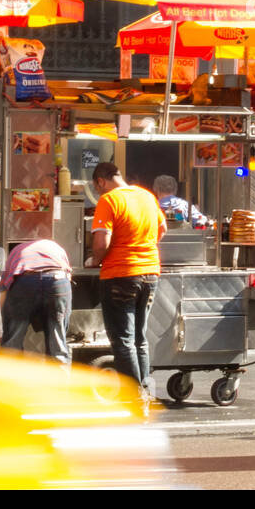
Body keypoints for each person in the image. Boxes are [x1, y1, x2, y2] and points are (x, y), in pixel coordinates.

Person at [86, 162, 164, 398]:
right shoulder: (147, 196)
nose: (98, 192)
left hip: (121, 274)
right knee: (140, 338)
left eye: (97, 187)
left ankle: (133, 397)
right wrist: (144, 247)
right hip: (150, 273)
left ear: (101, 181)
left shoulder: (109, 200)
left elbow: (102, 242)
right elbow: (162, 228)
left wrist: (95, 260)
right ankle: (144, 392)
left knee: (123, 340)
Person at [0, 237, 73, 366]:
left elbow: (4, 288)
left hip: (25, 281)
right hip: (58, 280)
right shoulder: (56, 246)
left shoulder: (16, 250)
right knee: (57, 341)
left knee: (12, 342)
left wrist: (7, 320)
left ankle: (9, 375)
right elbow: (68, 277)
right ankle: (60, 375)